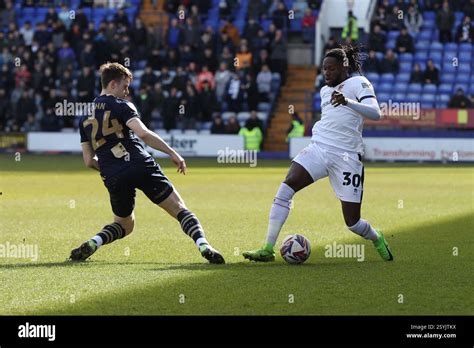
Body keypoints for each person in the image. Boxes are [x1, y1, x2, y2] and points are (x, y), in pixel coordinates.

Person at [243, 45, 393, 262]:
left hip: (347, 157)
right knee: (287, 186)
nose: (326, 73)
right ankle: (267, 248)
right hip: (320, 148)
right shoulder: (324, 91)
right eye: (324, 69)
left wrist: (348, 101)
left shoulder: (359, 83)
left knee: (353, 223)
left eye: (331, 69)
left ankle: (376, 236)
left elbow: (376, 114)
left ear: (344, 67)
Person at [69, 63, 225, 264]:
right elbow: (142, 133)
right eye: (125, 87)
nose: (127, 92)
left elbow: (88, 160)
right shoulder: (122, 106)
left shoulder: (84, 118)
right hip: (138, 163)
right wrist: (172, 152)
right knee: (179, 208)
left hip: (112, 174)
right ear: (113, 84)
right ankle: (204, 245)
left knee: (125, 225)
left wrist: (110, 167)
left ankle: (94, 242)